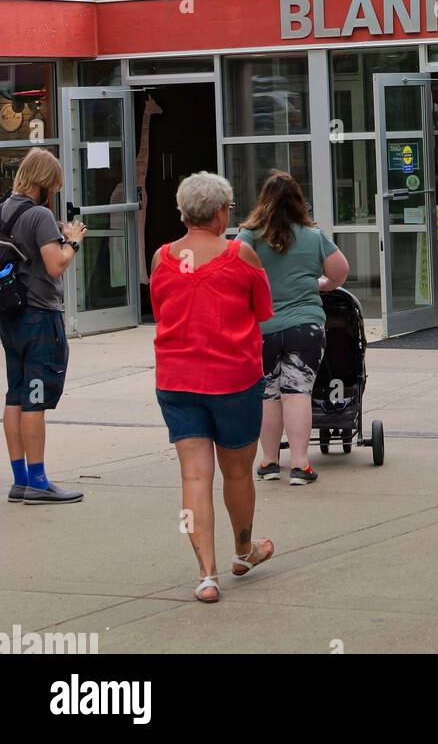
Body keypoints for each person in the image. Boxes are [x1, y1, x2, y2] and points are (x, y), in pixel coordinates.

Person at [150, 171, 275, 603]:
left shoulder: (161, 256)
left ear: (185, 212)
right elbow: (263, 312)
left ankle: (206, 573)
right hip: (233, 380)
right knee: (238, 472)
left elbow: (161, 310)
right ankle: (244, 549)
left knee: (193, 477)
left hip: (176, 379)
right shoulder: (242, 257)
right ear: (221, 213)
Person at [237, 172, 349, 485]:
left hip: (263, 328)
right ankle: (301, 465)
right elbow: (341, 271)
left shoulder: (249, 236)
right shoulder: (314, 236)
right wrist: (323, 284)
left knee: (269, 394)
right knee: (297, 391)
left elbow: (234, 271)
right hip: (306, 326)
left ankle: (269, 462)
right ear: (299, 201)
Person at [1, 148, 88, 505]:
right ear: (45, 182)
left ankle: (20, 478)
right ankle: (38, 481)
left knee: (15, 394)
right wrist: (73, 241)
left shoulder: (4, 208)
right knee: (35, 397)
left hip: (10, 314)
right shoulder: (39, 215)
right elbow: (55, 266)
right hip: (39, 313)